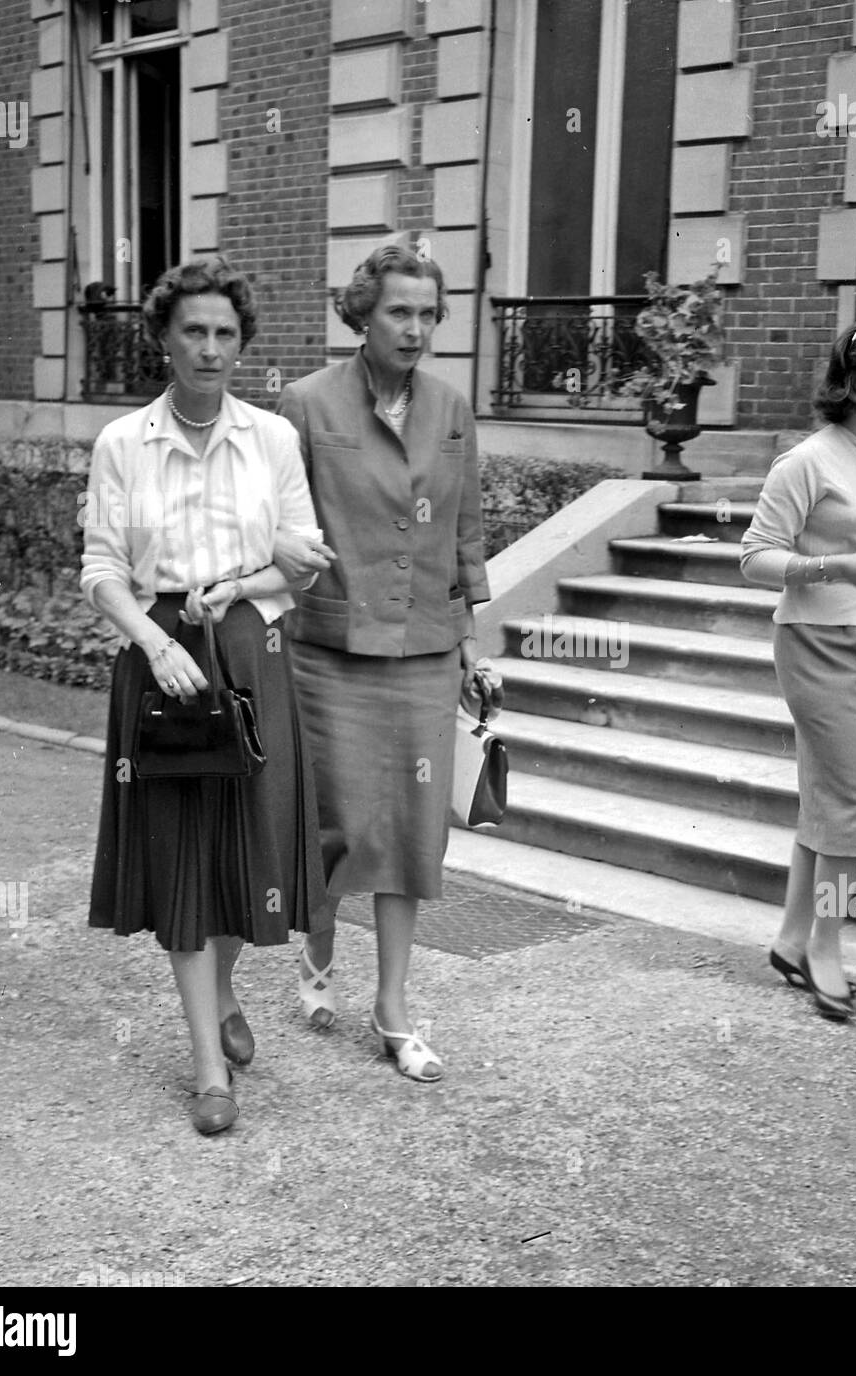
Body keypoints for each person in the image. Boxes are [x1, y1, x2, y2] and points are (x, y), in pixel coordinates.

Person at [81, 256, 331, 1134]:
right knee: (184, 857)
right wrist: (151, 642)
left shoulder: (271, 438)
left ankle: (222, 985)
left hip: (249, 649)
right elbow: (102, 569)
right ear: (162, 339)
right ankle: (205, 1065)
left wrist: (241, 584)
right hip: (161, 661)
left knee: (252, 854)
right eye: (194, 331)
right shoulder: (123, 444)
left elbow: (301, 555)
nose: (211, 349)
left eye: (226, 333)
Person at [274, 243, 490, 1082]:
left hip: (427, 650)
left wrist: (470, 633)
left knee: (410, 830)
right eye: (400, 311)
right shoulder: (306, 404)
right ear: (362, 312)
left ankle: (393, 1007)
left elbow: (464, 528)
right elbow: (280, 525)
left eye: (430, 313)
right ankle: (315, 951)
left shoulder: (452, 407)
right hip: (329, 649)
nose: (416, 327)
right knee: (340, 824)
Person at [739, 317, 856, 1021]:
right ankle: (826, 945)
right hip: (815, 643)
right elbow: (756, 556)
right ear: (850, 380)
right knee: (855, 802)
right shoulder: (807, 462)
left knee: (829, 799)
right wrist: (834, 564)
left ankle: (791, 939)